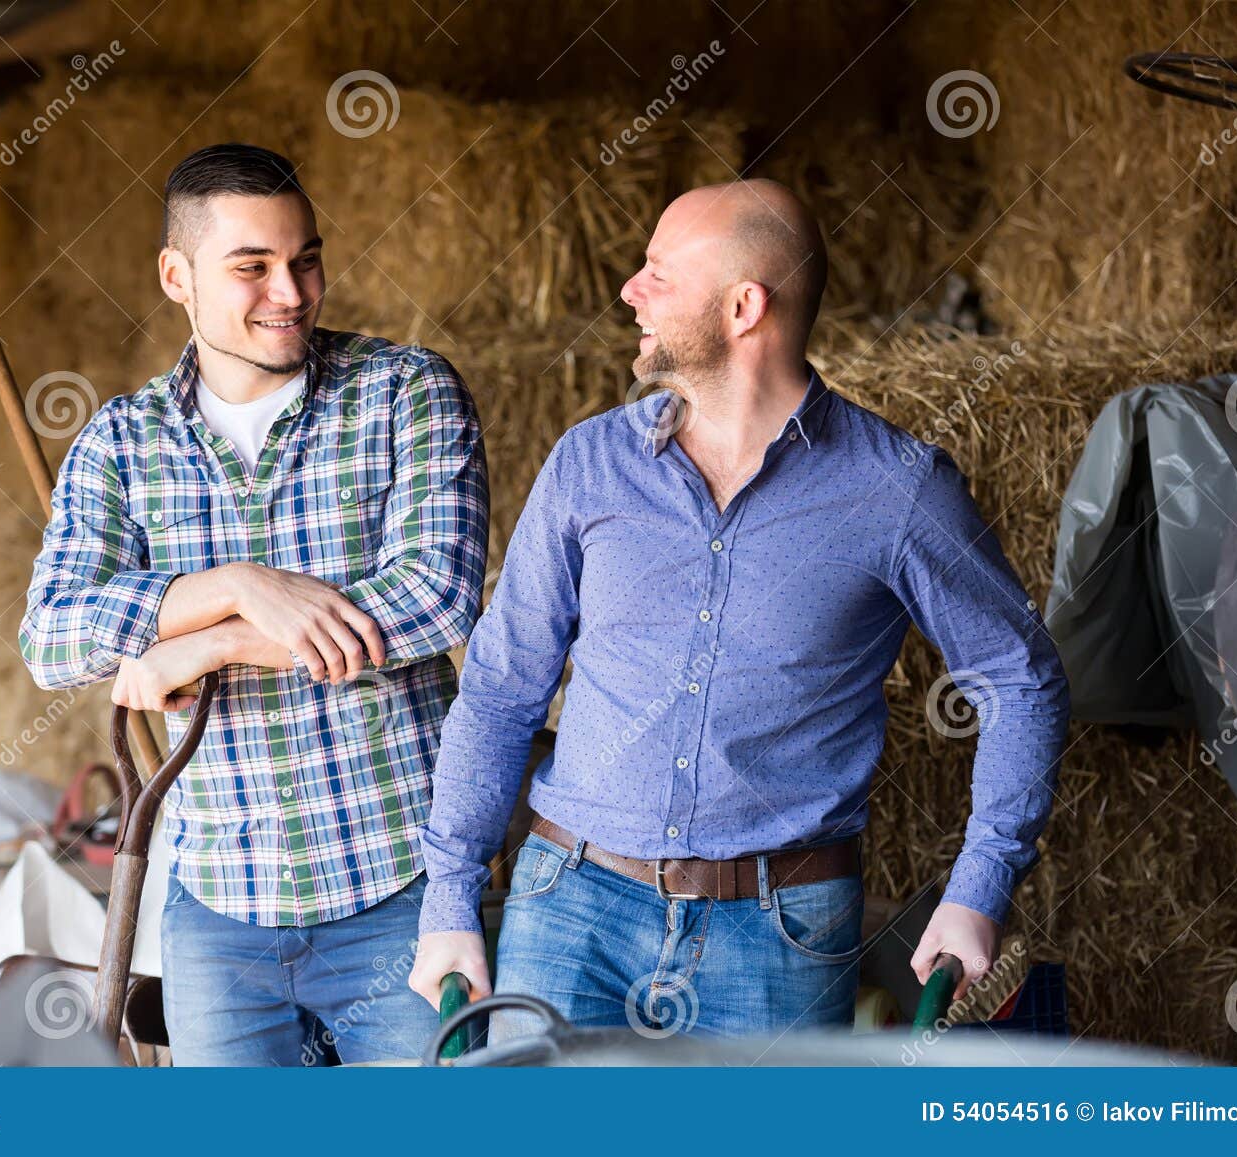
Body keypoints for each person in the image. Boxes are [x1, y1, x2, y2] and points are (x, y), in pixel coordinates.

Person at [408, 179, 1069, 1040]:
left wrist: (979, 886)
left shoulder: (896, 488)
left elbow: (1021, 680)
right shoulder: (590, 464)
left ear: (743, 307)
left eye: (656, 273)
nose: (627, 291)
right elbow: (500, 687)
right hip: (569, 906)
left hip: (781, 934)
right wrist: (451, 893)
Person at [19, 143, 489, 1065]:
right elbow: (51, 633)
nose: (292, 291)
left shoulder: (407, 394)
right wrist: (239, 584)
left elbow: (436, 600)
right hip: (218, 917)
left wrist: (202, 642)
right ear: (175, 276)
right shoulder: (120, 444)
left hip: (398, 893)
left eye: (305, 258)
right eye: (253, 267)